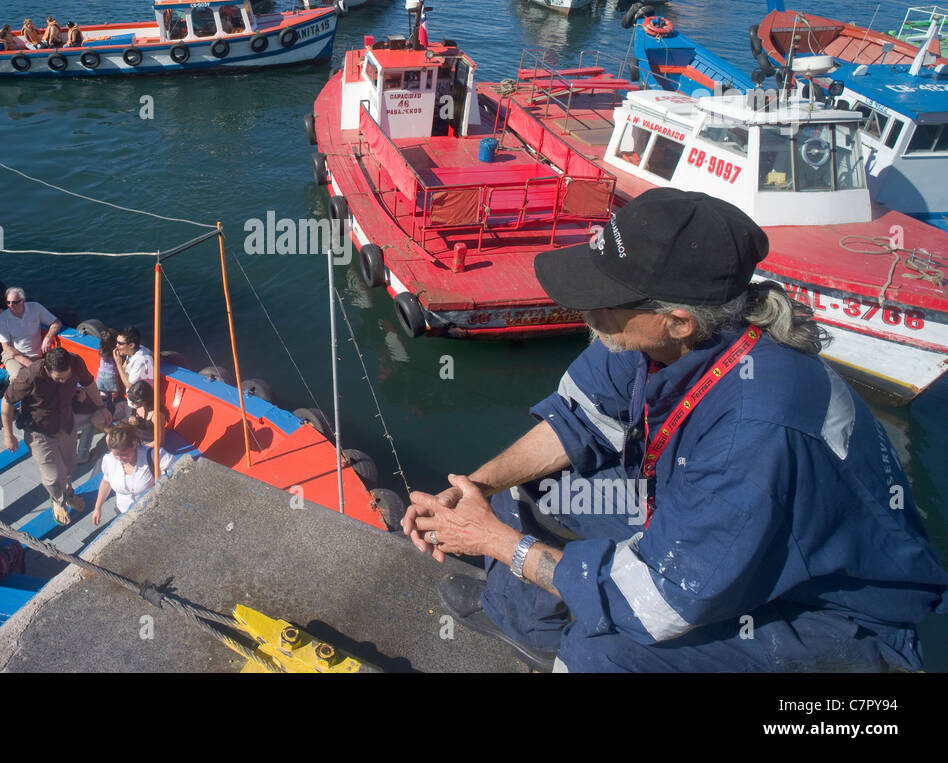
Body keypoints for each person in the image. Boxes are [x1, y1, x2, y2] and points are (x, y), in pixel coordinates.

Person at [404, 188, 948, 673]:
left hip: (822, 612)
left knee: (601, 658)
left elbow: (661, 602)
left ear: (679, 319)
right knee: (530, 491)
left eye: (606, 296)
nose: (588, 309)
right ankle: (525, 628)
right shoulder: (660, 340)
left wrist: (496, 543)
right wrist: (474, 488)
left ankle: (572, 646)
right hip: (711, 517)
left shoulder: (757, 427)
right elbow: (575, 421)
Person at [1, 346, 112, 526]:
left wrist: (101, 407)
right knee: (53, 475)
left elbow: (89, 383)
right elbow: (6, 402)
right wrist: (8, 434)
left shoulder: (75, 363)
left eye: (67, 377)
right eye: (58, 378)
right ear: (47, 368)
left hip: (66, 423)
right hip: (39, 430)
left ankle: (68, 494)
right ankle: (58, 500)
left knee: (68, 466)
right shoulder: (29, 377)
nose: (64, 381)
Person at [91, 423, 172, 525]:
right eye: (116, 455)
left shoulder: (153, 455)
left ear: (134, 445)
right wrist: (98, 508)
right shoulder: (109, 460)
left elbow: (177, 469)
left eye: (124, 455)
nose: (120, 459)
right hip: (122, 512)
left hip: (151, 512)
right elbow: (106, 483)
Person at [0, 286, 61, 381]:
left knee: (50, 376)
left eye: (14, 302)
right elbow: (6, 347)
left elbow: (56, 323)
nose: (11, 305)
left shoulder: (35, 308)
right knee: (21, 378)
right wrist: (27, 362)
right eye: (8, 302)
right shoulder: (2, 318)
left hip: (36, 355)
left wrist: (48, 338)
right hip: (13, 356)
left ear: (23, 300)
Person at [112, 324, 154, 394]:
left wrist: (118, 364)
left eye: (120, 343)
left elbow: (130, 386)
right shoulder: (136, 350)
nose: (117, 345)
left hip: (136, 402)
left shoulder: (139, 360)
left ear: (131, 345)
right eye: (117, 342)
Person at [95, 328, 121, 408]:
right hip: (111, 376)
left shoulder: (101, 350)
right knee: (114, 394)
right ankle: (112, 405)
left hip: (100, 375)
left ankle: (102, 406)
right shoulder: (116, 352)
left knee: (102, 393)